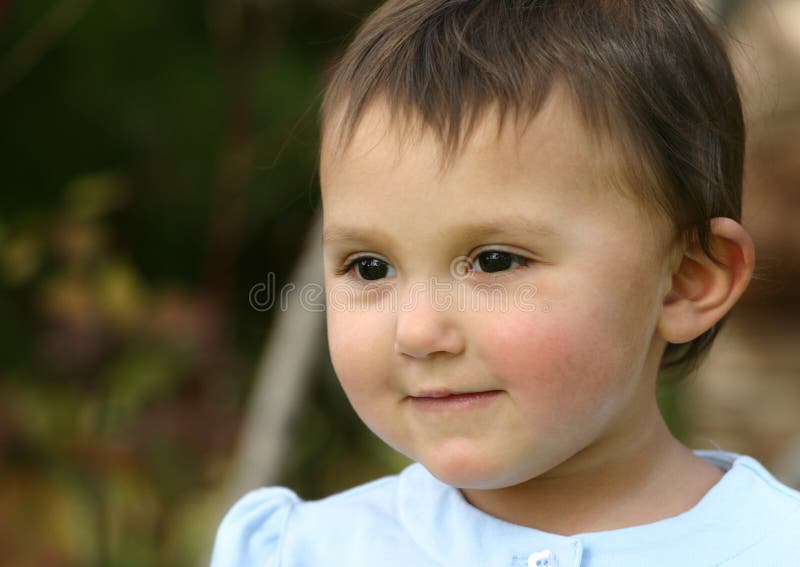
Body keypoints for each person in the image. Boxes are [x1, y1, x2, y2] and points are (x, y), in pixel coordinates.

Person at [211, 1, 800, 565]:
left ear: (685, 282)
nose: (418, 332)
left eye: (494, 261)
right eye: (371, 267)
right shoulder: (301, 552)